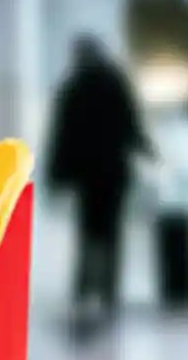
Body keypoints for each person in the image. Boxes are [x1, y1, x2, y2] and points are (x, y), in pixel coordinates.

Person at [46, 35, 154, 319]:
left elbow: (61, 135)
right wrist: (148, 151)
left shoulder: (73, 87)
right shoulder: (114, 83)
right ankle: (108, 290)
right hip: (114, 173)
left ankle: (84, 288)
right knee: (111, 233)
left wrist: (55, 175)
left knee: (87, 232)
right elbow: (131, 123)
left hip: (86, 176)